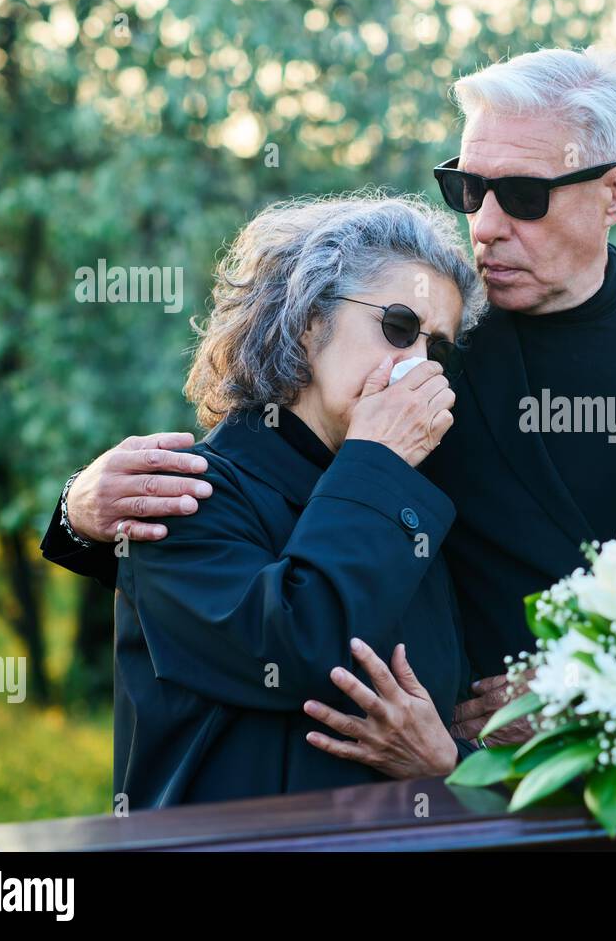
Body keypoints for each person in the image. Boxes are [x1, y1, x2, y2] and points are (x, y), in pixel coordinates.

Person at [41, 48, 616, 750]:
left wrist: (609, 696)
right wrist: (79, 514)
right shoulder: (417, 342)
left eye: (521, 194)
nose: (483, 225)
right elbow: (269, 502)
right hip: (466, 795)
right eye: (468, 187)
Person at [96, 193, 486, 807]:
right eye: (399, 327)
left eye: (437, 349)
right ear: (309, 322)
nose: (417, 368)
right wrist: (379, 462)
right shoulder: (191, 493)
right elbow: (302, 648)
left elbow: (434, 718)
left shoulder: (412, 506)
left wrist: (447, 762)